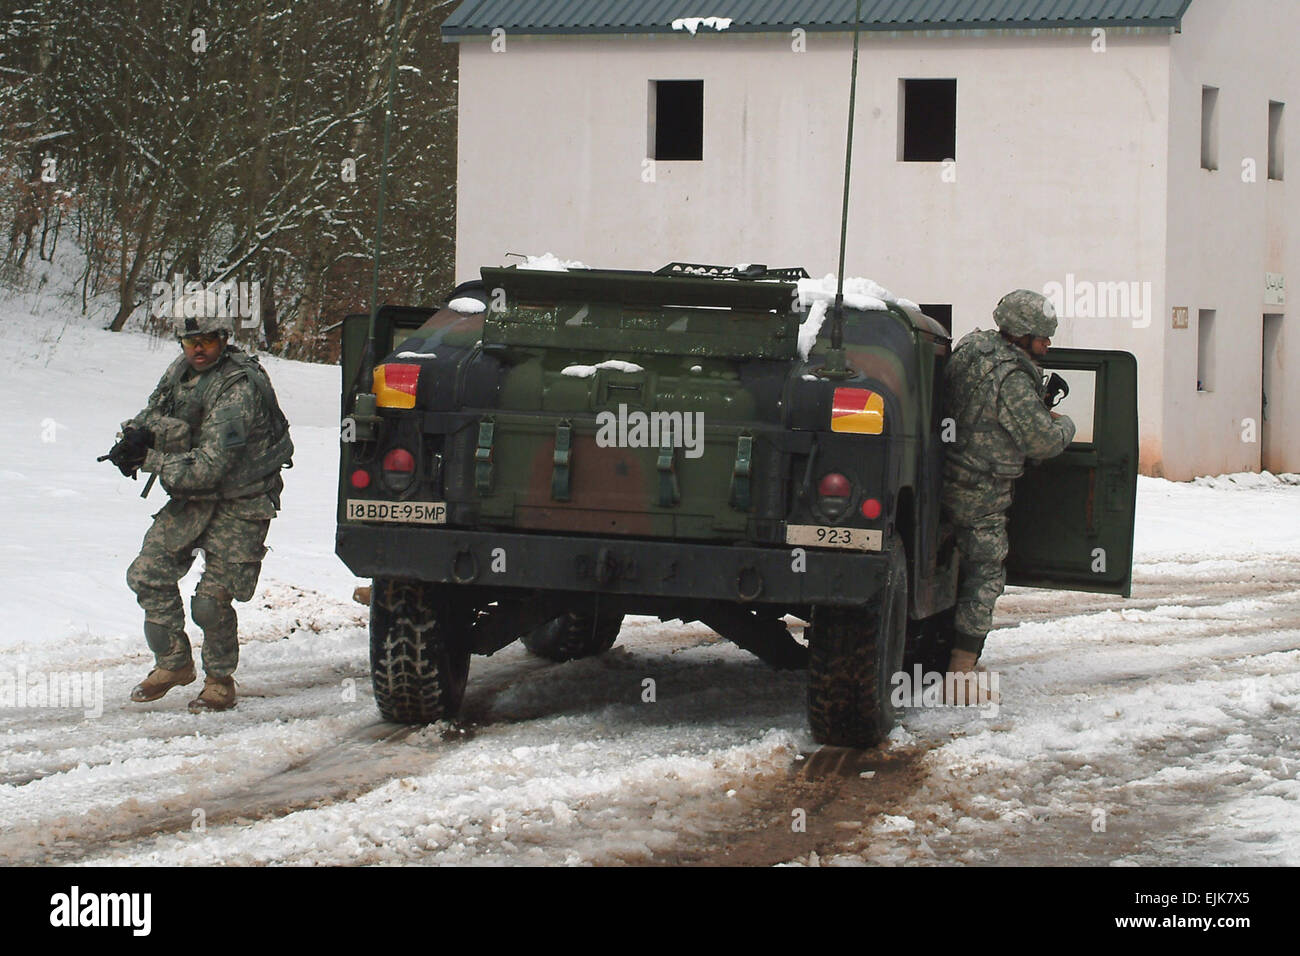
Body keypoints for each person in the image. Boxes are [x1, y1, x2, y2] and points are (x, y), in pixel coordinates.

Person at [108, 312, 293, 712]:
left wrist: (151, 459)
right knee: (147, 574)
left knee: (210, 601)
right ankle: (174, 664)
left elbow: (211, 466)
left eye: (207, 340)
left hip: (241, 500)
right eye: (190, 341)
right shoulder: (183, 370)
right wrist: (135, 437)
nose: (198, 348)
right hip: (195, 496)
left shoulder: (238, 388)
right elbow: (154, 410)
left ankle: (219, 680)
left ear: (223, 339)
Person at [941, 289, 1075, 688]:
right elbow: (1043, 441)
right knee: (984, 573)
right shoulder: (1012, 377)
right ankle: (961, 668)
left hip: (940, 477)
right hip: (980, 491)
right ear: (1022, 333)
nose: (1047, 345)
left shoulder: (971, 349)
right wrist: (1064, 423)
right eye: (1042, 337)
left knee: (944, 565)